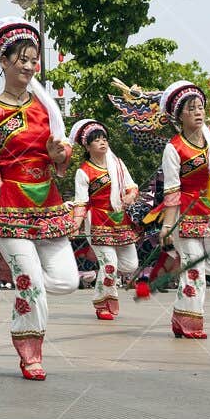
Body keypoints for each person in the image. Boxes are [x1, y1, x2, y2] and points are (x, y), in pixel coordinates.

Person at [0, 18, 80, 379]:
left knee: (66, 281)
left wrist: (57, 153)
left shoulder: (47, 109)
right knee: (31, 281)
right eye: (22, 59)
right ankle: (30, 350)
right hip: (10, 207)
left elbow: (60, 159)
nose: (29, 67)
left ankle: (23, 286)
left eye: (34, 60)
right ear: (3, 60)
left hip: (47, 202)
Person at [155, 80, 210, 339]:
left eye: (200, 107)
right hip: (185, 214)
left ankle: (179, 312)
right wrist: (167, 225)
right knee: (194, 269)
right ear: (179, 116)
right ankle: (190, 322)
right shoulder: (173, 148)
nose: (198, 112)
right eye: (191, 108)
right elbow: (171, 190)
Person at [70, 118, 139, 321]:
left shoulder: (117, 164)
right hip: (98, 220)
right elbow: (80, 202)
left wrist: (130, 195)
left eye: (104, 138)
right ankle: (103, 303)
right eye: (97, 139)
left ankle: (106, 286)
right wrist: (75, 226)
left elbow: (131, 186)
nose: (103, 142)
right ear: (87, 145)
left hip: (121, 219)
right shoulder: (83, 171)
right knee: (109, 264)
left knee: (131, 265)